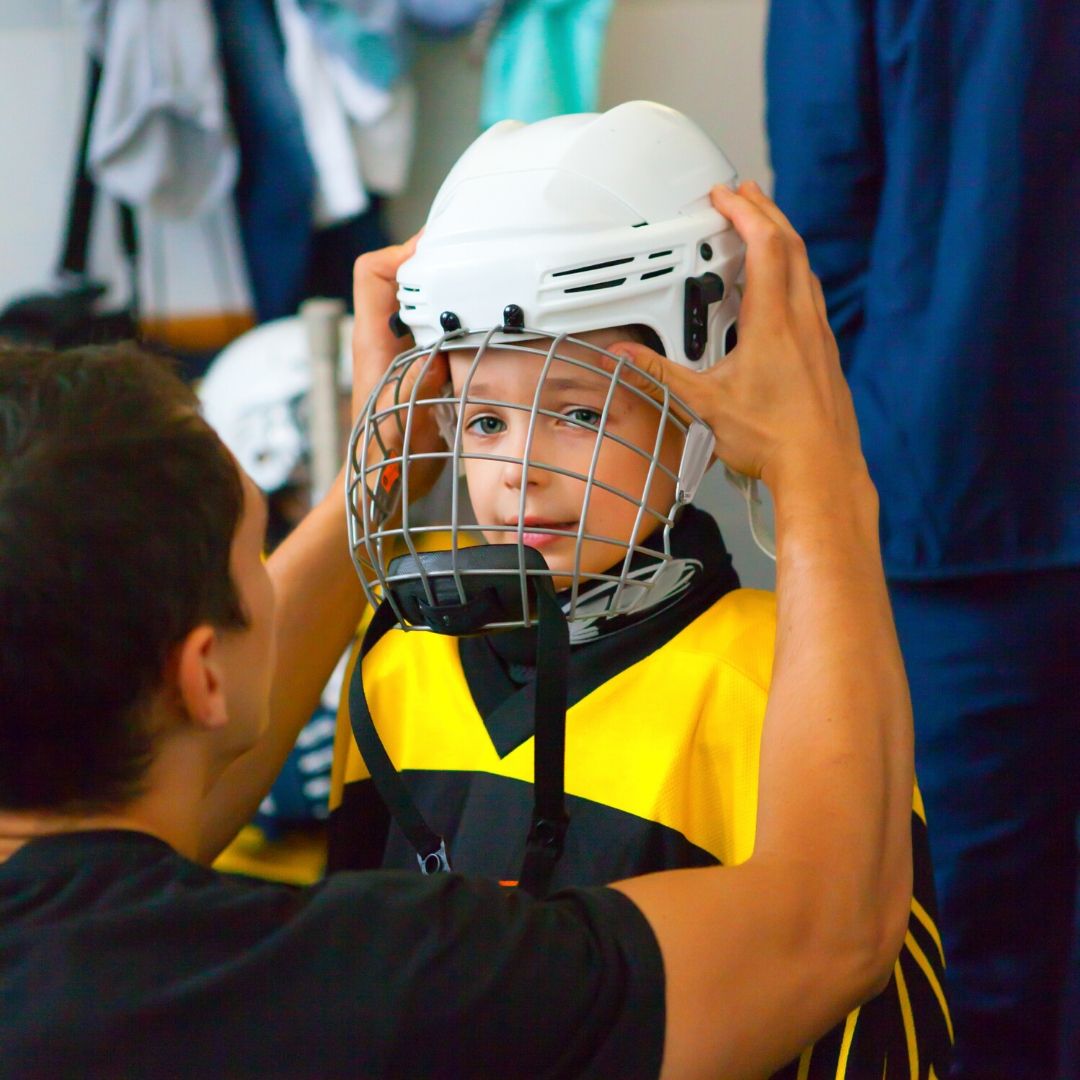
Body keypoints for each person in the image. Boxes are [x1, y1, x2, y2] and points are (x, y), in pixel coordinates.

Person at [0, 182, 914, 1078]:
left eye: (579, 415)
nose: (520, 467)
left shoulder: (755, 679)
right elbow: (828, 932)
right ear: (202, 678)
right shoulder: (348, 970)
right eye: (256, 559)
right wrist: (823, 476)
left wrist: (374, 472)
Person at [329, 103, 951, 1077]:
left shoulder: (785, 688)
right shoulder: (395, 654)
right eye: (484, 421)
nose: (518, 469)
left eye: (575, 411)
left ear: (703, 391)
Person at [765, 4, 1080, 1076]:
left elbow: (822, 201)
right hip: (964, 495)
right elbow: (823, 224)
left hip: (960, 483)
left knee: (979, 949)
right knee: (972, 950)